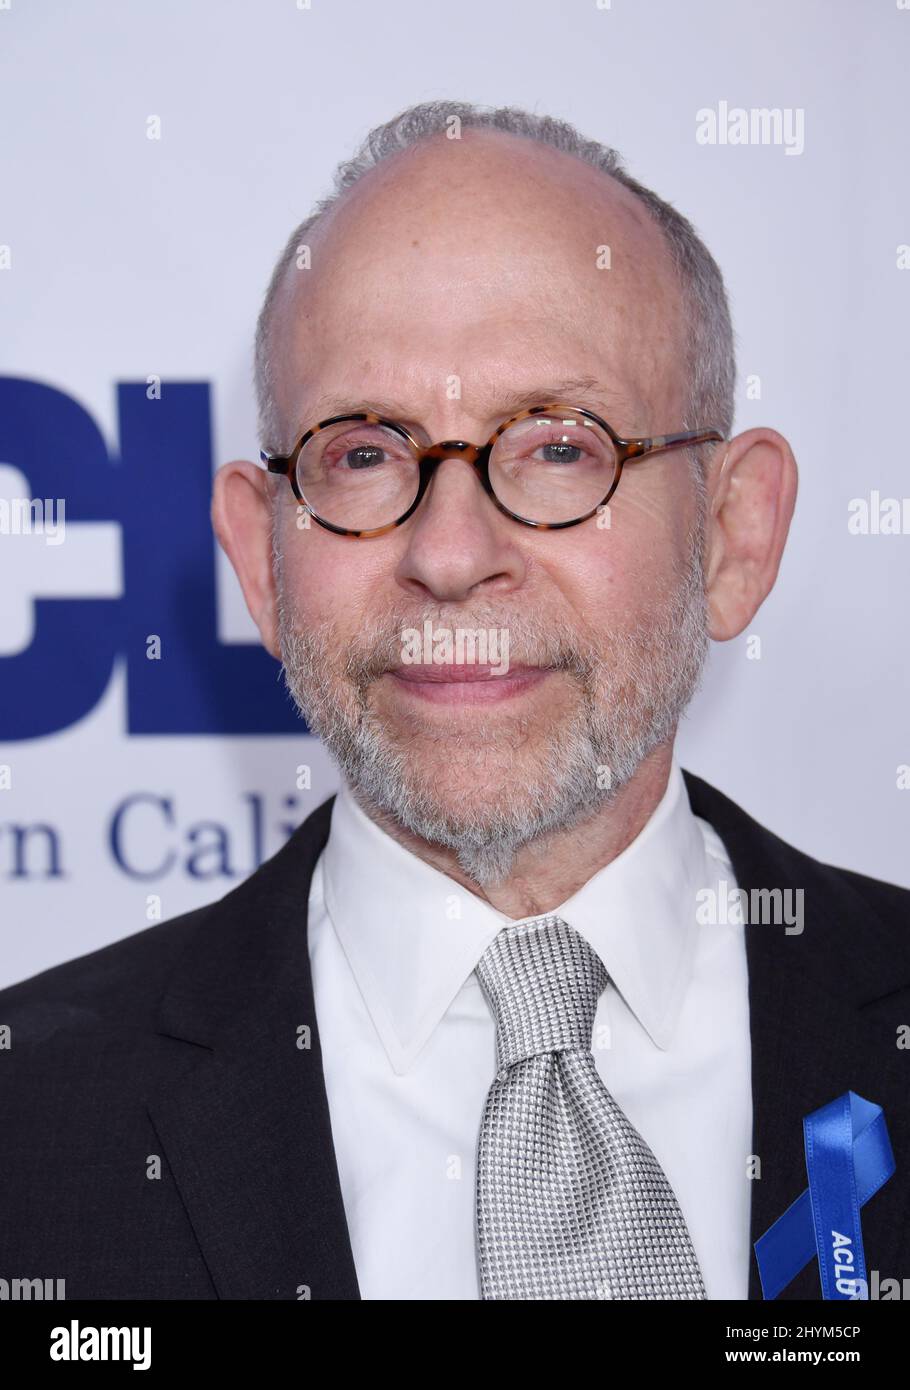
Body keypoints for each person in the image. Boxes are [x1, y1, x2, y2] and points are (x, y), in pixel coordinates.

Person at [1, 101, 907, 1302]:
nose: (449, 550)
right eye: (365, 453)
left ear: (733, 533)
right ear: (260, 560)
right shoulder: (31, 1133)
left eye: (556, 444)